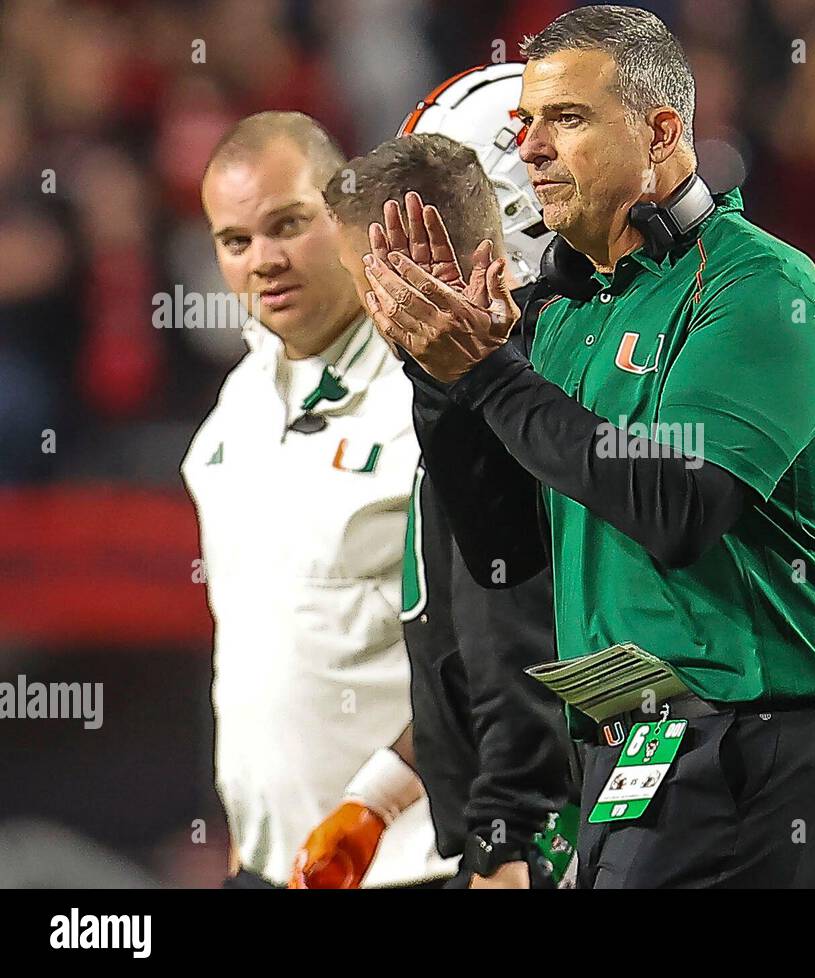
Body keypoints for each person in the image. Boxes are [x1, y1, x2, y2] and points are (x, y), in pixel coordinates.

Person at [363, 5, 815, 888]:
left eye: (566, 119)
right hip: (630, 744)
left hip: (750, 732)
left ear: (662, 129)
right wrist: (440, 375)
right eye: (526, 123)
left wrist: (489, 376)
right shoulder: (569, 314)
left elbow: (679, 508)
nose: (530, 151)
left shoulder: (758, 285)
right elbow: (506, 548)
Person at [293, 90, 574, 890]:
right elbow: (466, 659)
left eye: (380, 268)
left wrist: (512, 836)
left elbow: (535, 650)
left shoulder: (523, 408)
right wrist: (376, 802)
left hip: (532, 843)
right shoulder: (464, 395)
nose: (370, 301)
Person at [181, 111, 451, 888]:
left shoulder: (430, 395)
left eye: (288, 225)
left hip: (412, 862)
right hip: (273, 864)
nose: (263, 261)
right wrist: (252, 831)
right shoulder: (238, 404)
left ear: (347, 214)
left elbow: (502, 644)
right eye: (235, 242)